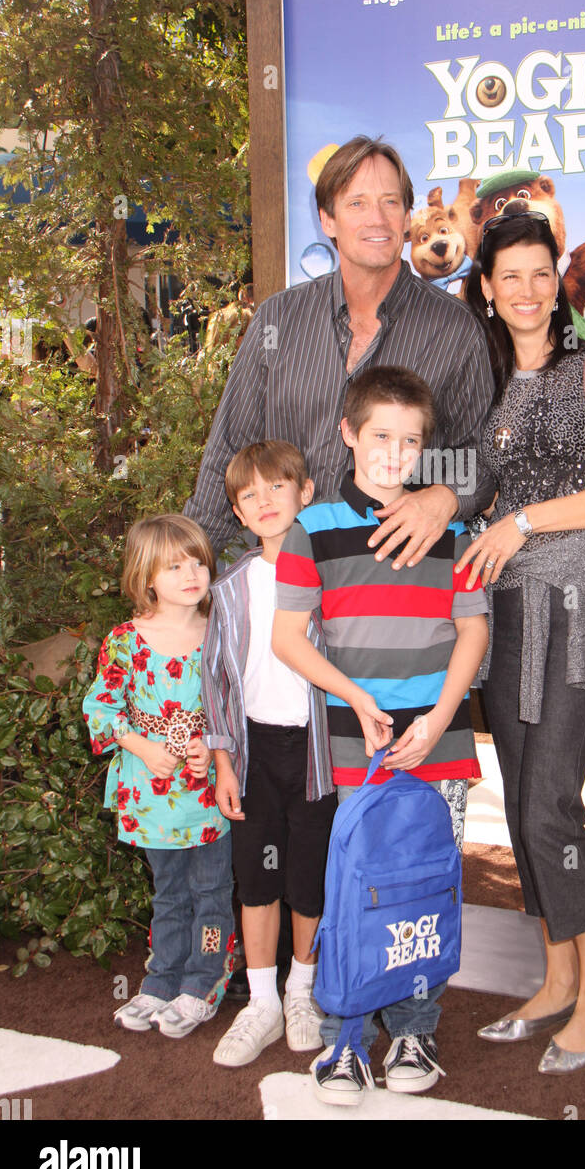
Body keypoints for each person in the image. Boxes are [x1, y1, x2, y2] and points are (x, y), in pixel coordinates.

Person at [455, 209, 585, 1073]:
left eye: (543, 273)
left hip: (581, 606)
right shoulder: (482, 386)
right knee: (521, 796)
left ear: (557, 281)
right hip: (506, 616)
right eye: (512, 277)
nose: (529, 291)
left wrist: (524, 520)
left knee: (548, 804)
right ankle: (555, 978)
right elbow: (465, 493)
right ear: (489, 291)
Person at [272, 366, 489, 1106]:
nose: (395, 455)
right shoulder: (314, 529)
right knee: (352, 891)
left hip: (441, 748)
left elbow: (472, 631)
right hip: (349, 748)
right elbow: (288, 638)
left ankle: (416, 1031)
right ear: (349, 435)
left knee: (424, 887)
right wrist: (358, 697)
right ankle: (345, 1040)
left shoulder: (454, 532)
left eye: (411, 442)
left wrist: (436, 720)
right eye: (381, 437)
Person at [184, 135, 495, 563]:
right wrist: (187, 574)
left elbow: (485, 456)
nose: (377, 220)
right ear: (327, 220)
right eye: (356, 203)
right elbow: (229, 453)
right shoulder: (278, 320)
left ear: (408, 218)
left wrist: (443, 497)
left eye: (390, 202)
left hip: (393, 583)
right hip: (288, 578)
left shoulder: (454, 328)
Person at [201, 441, 337, 1066]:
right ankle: (261, 1001)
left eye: (277, 487)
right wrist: (224, 758)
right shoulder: (229, 588)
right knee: (257, 877)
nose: (265, 500)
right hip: (254, 752)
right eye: (249, 493)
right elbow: (217, 681)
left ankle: (301, 991)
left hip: (317, 754)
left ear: (305, 493)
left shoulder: (329, 579)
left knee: (308, 875)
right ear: (236, 510)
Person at [82, 514, 234, 1038]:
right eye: (174, 565)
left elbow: (236, 708)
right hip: (150, 795)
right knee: (169, 894)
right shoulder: (125, 641)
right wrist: (145, 747)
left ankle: (207, 975)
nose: (191, 573)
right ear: (147, 576)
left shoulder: (221, 634)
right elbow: (101, 709)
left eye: (198, 562)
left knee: (213, 892)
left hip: (209, 796)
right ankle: (163, 977)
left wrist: (213, 750)